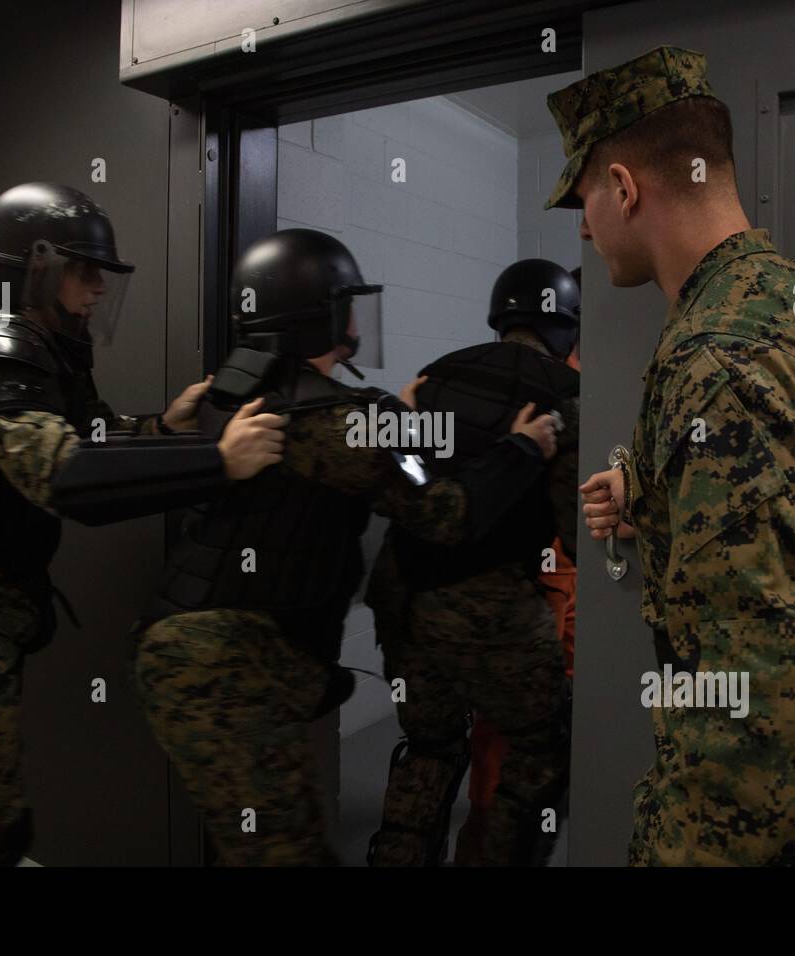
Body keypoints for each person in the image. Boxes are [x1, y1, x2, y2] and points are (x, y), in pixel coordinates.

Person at [547, 47, 795, 865]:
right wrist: (655, 487)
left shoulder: (720, 361)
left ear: (625, 189)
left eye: (585, 200)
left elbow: (777, 703)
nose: (584, 227)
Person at [0, 182, 286, 866]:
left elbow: (89, 436)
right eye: (85, 271)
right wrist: (219, 464)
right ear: (36, 267)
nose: (98, 289)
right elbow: (64, 475)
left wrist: (162, 427)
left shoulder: (38, 349)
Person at [131, 227, 560, 866]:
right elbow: (447, 514)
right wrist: (522, 449)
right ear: (319, 315)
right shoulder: (347, 419)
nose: (357, 321)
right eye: (347, 304)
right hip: (234, 673)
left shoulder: (220, 397)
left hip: (184, 652)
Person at [365, 257, 581, 866]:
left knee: (430, 747)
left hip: (403, 596)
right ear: (567, 326)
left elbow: (402, 475)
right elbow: (575, 527)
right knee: (540, 748)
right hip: (491, 610)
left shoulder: (436, 375)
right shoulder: (566, 398)